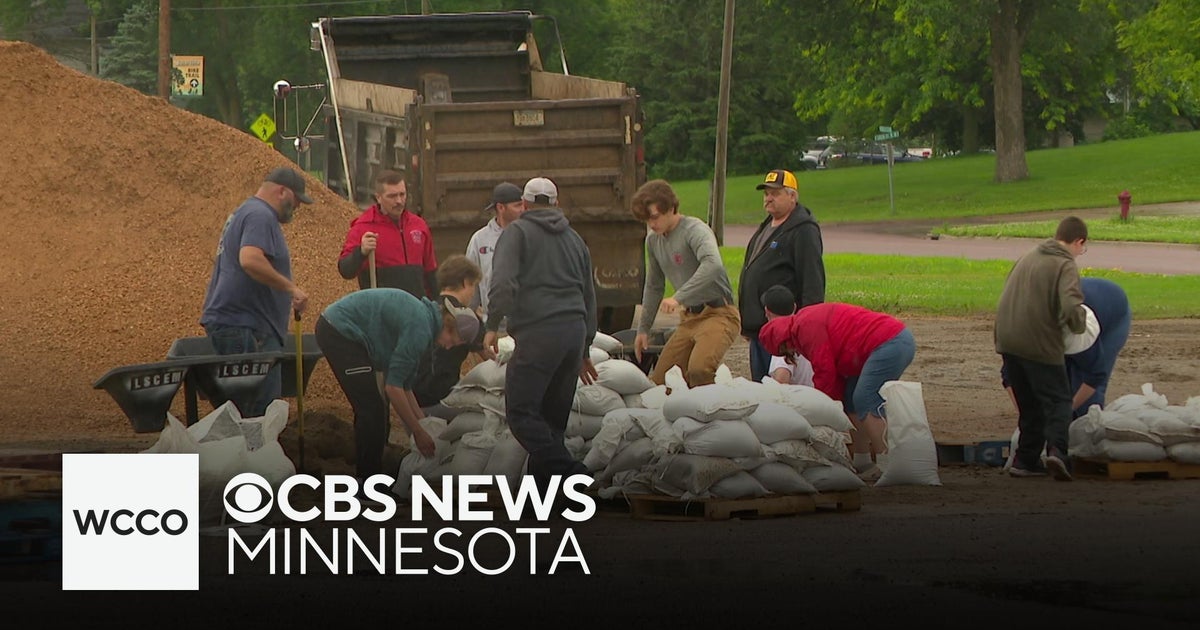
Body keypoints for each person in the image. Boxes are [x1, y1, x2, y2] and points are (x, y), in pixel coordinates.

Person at [484, 176, 597, 493]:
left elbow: (503, 283)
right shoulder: (575, 240)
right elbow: (589, 295)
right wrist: (585, 348)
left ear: (526, 203)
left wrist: (492, 323)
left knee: (521, 414)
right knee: (551, 424)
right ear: (557, 203)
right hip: (573, 334)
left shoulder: (516, 232)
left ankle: (572, 472)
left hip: (538, 333)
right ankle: (545, 501)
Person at [315, 287, 480, 479]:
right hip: (339, 331)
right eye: (453, 340)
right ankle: (367, 482)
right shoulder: (420, 329)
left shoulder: (425, 322)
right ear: (447, 324)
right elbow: (393, 388)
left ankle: (370, 474)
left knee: (375, 409)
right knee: (372, 410)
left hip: (346, 331)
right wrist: (419, 433)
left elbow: (406, 386)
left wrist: (426, 425)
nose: (449, 346)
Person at [199, 166, 312, 418]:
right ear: (282, 192)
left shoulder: (249, 212)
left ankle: (248, 453)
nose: (298, 207)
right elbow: (249, 259)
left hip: (244, 325)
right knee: (256, 415)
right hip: (246, 327)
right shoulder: (260, 215)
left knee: (248, 414)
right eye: (296, 200)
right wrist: (290, 288)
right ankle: (249, 456)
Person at [759, 302, 916, 481]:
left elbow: (824, 372)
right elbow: (835, 373)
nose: (790, 352)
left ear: (782, 338)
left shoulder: (806, 327)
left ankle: (886, 463)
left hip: (890, 342)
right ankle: (862, 460)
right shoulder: (802, 324)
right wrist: (836, 403)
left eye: (783, 349)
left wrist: (823, 408)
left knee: (866, 398)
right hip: (881, 345)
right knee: (850, 398)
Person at [994, 216, 1089, 481]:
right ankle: (1058, 452)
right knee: (1059, 399)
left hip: (1007, 338)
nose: (1081, 253)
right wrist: (1080, 326)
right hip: (1039, 342)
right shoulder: (1064, 264)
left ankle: (1025, 459)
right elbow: (1071, 305)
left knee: (1030, 405)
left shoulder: (1029, 256)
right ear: (1079, 241)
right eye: (1083, 248)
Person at [629, 179, 740, 388]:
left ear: (671, 208)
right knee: (662, 381)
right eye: (647, 220)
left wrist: (679, 297)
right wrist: (643, 329)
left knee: (699, 369)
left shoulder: (695, 230)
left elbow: (713, 264)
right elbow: (654, 285)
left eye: (655, 217)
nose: (652, 224)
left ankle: (714, 413)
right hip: (689, 318)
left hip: (718, 312)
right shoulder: (653, 240)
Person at [738, 169, 826, 382]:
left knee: (780, 388)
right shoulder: (767, 226)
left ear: (792, 196)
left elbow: (812, 279)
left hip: (785, 330)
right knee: (761, 387)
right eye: (766, 193)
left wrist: (805, 328)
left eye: (775, 193)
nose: (768, 198)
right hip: (760, 328)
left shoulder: (803, 229)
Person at [1001, 276, 1132, 419]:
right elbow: (1010, 375)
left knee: (1086, 406)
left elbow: (1096, 375)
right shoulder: (1019, 332)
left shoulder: (1082, 335)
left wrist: (1067, 411)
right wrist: (1024, 412)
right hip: (1075, 304)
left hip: (1112, 314)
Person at [412, 255, 492, 418]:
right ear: (465, 282)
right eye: (473, 286)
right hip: (440, 399)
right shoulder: (467, 318)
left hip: (412, 401)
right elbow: (490, 358)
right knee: (495, 404)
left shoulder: (424, 308)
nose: (472, 293)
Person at [337, 170, 437, 298]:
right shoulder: (363, 227)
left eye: (402, 194)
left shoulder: (419, 225)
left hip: (417, 308)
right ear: (378, 197)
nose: (399, 201)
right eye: (392, 196)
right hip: (382, 309)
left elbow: (431, 272)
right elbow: (345, 271)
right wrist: (361, 252)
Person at [465, 182, 525, 317]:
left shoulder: (528, 235)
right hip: (492, 321)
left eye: (522, 205)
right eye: (517, 205)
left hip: (523, 321)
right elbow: (471, 279)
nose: (522, 209)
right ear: (501, 207)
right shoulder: (479, 239)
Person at [760, 284, 814, 387]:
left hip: (797, 401)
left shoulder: (782, 340)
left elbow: (781, 379)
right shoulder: (804, 331)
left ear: (767, 311)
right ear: (794, 307)